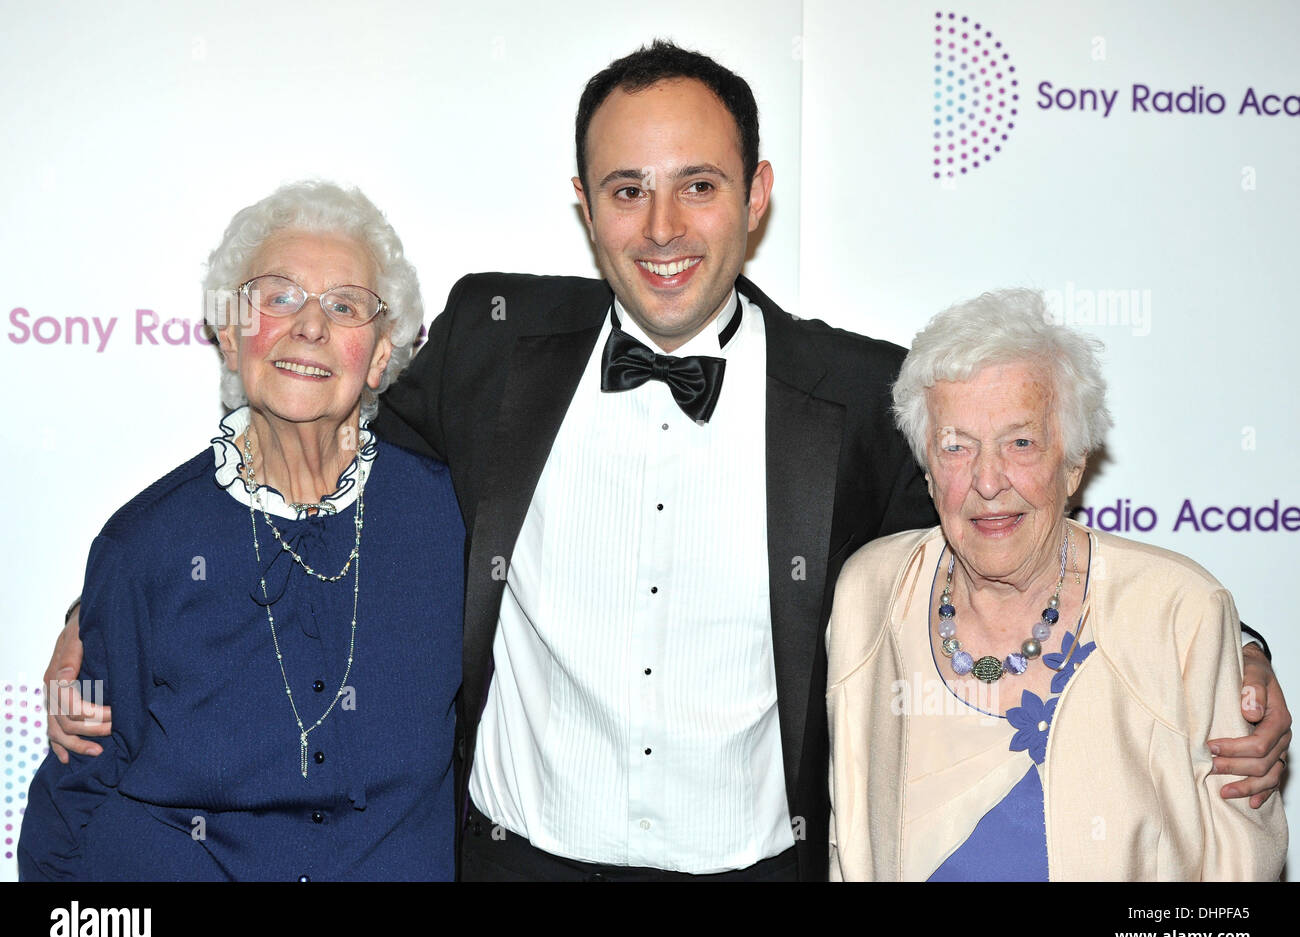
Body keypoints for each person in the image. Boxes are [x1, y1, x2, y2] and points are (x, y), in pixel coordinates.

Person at [44, 43, 1289, 881]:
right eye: (625, 189)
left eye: (696, 186)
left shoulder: (856, 393)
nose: (662, 227)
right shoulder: (489, 347)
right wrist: (101, 611)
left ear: (755, 196)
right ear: (582, 208)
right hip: (514, 862)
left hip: (763, 868)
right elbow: (295, 444)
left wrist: (1229, 655)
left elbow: (1009, 529)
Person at [21, 181, 463, 881]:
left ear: (380, 356)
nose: (309, 326)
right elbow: (76, 802)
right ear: (229, 333)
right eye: (278, 297)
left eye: (344, 305)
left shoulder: (450, 516)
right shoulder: (145, 543)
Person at [826, 288, 1288, 880]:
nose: (987, 480)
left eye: (1020, 443)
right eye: (955, 447)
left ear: (1073, 463)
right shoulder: (871, 594)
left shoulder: (1179, 613)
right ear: (926, 468)